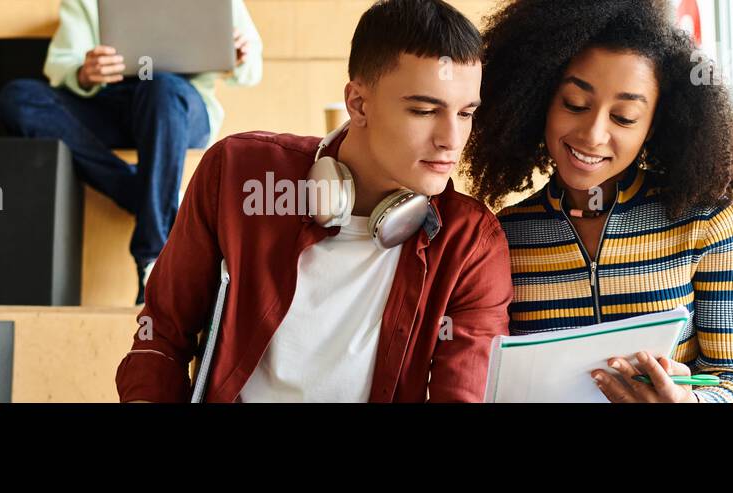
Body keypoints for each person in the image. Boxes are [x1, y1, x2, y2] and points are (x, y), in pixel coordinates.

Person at [115, 0, 511, 403]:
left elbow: (464, 392)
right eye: (425, 110)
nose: (452, 140)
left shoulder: (470, 243)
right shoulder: (240, 175)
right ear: (358, 104)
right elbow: (161, 334)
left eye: (465, 114)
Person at [465, 0, 733, 402]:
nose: (592, 134)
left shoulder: (707, 221)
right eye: (574, 104)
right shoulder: (502, 237)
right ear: (539, 98)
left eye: (623, 117)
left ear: (653, 125)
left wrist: (690, 401)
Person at [0, 0, 263, 304]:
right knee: (17, 98)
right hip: (110, 104)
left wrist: (241, 56)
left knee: (160, 87)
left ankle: (154, 258)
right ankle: (143, 194)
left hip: (177, 106)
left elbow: (253, 66)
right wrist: (84, 72)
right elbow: (59, 63)